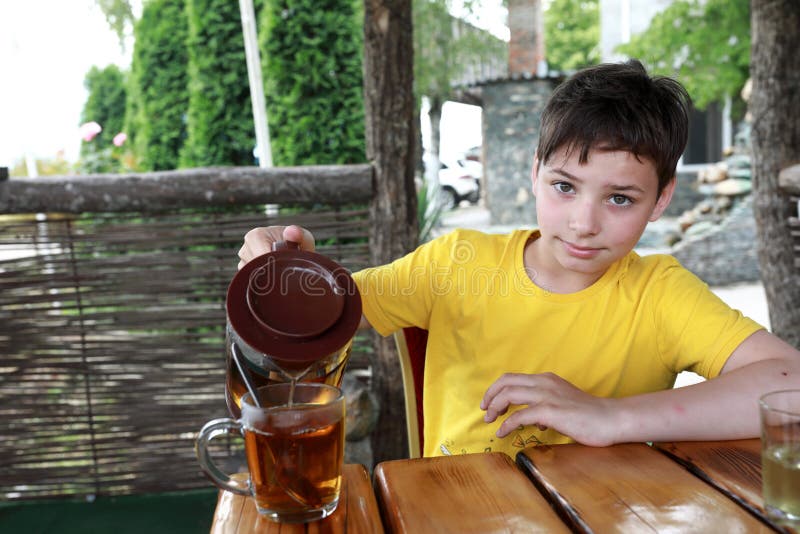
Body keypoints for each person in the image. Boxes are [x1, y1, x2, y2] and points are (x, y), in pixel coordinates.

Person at [237, 60, 800, 458]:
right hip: (454, 509)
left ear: (663, 199)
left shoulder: (659, 292)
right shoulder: (457, 262)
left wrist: (612, 417)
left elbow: (791, 385)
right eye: (564, 186)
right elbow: (320, 321)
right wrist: (278, 278)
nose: (584, 222)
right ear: (534, 173)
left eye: (620, 198)